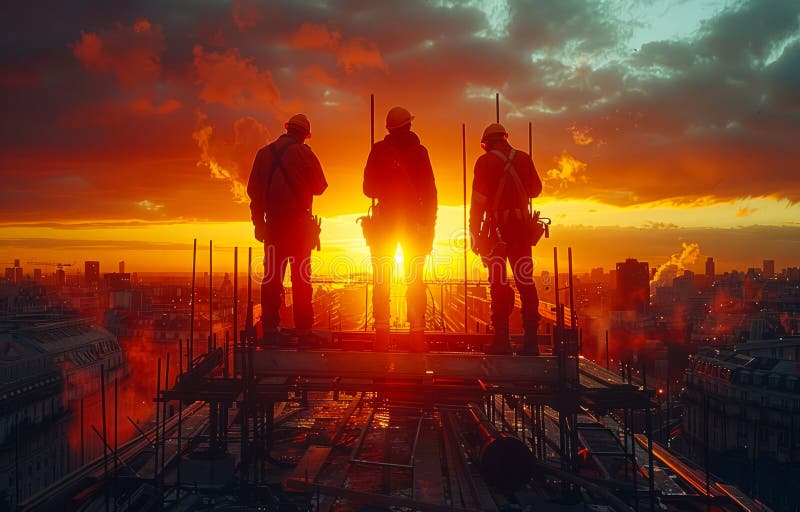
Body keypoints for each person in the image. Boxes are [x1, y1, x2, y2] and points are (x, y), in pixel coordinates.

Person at [247, 114, 327, 347]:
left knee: (272, 279)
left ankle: (270, 330)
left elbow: (254, 192)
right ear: (304, 135)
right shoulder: (304, 153)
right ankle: (304, 331)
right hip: (299, 229)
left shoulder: (264, 154)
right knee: (301, 280)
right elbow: (320, 187)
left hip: (272, 227)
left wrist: (258, 223)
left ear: (287, 129)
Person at [363, 106, 437, 352]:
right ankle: (417, 334)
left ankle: (382, 334)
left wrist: (385, 184)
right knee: (415, 279)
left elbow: (368, 189)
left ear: (388, 128)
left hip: (384, 223)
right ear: (409, 126)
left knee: (382, 278)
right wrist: (429, 226)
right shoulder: (420, 153)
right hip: (414, 225)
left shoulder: (379, 151)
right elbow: (430, 193)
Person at [469, 123, 543, 355]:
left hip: (497, 233)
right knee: (526, 283)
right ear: (505, 138)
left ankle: (502, 340)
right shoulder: (523, 158)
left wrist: (474, 233)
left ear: (487, 143)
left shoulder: (485, 162)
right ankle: (531, 342)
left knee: (499, 284)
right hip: (521, 231)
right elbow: (535, 190)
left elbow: (477, 202)